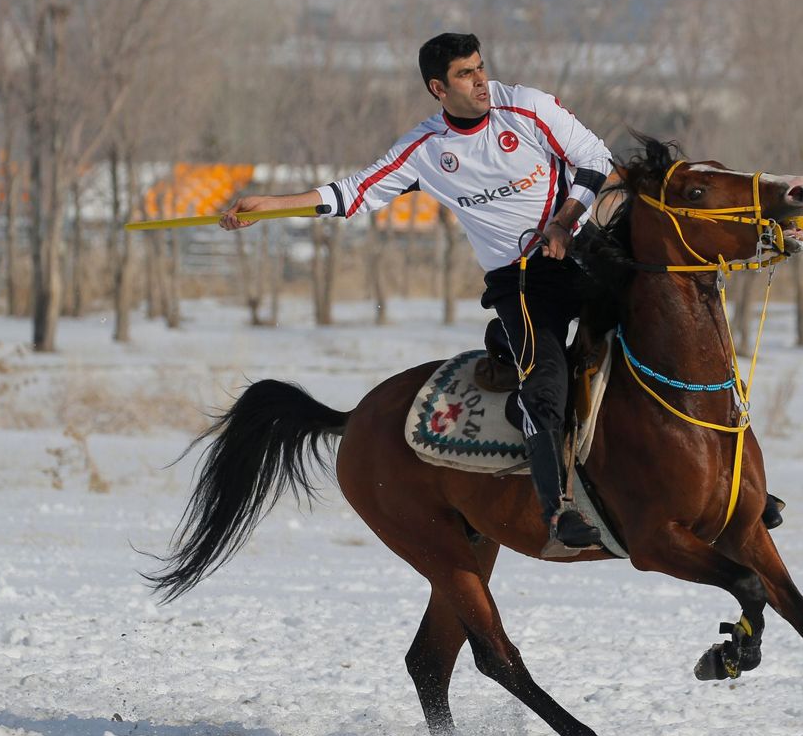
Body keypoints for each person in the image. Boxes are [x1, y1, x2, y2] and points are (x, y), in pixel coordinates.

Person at [221, 32, 608, 549]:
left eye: (480, 67)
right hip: (521, 282)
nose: (480, 81)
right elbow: (353, 193)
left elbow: (595, 157)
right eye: (465, 75)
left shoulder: (527, 107)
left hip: (583, 249)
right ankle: (557, 509)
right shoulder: (425, 150)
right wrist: (270, 204)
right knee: (546, 382)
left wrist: (564, 221)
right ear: (437, 88)